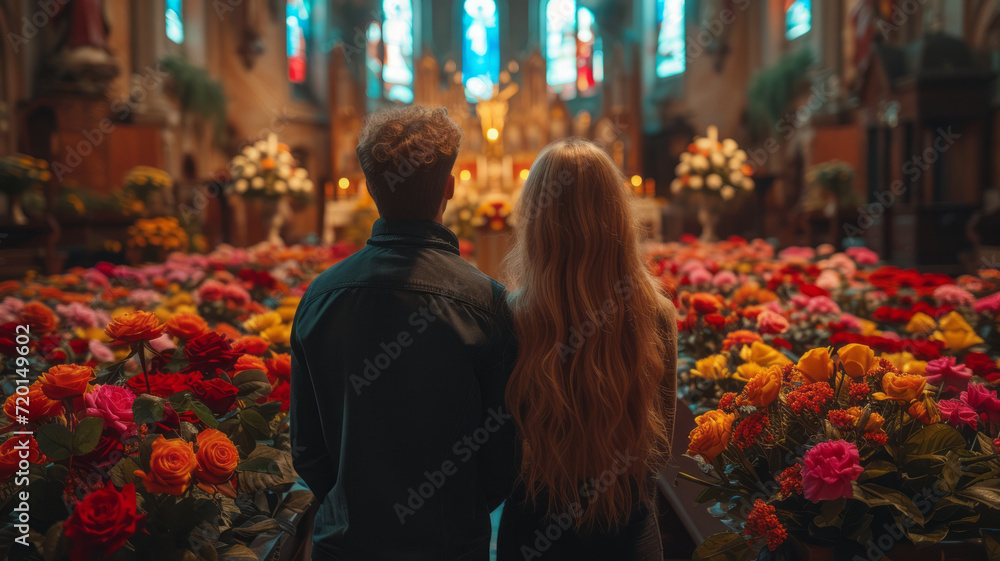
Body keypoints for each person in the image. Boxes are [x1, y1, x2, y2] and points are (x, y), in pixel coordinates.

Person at [290, 106, 517, 561]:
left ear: (371, 188)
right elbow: (503, 454)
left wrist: (356, 508)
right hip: (449, 545)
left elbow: (307, 450)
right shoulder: (487, 304)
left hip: (345, 543)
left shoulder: (319, 297)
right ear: (450, 188)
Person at [497, 137, 677, 560]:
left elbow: (498, 448)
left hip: (532, 532)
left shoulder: (508, 317)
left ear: (535, 220)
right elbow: (660, 448)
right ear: (617, 215)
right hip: (628, 531)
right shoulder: (657, 314)